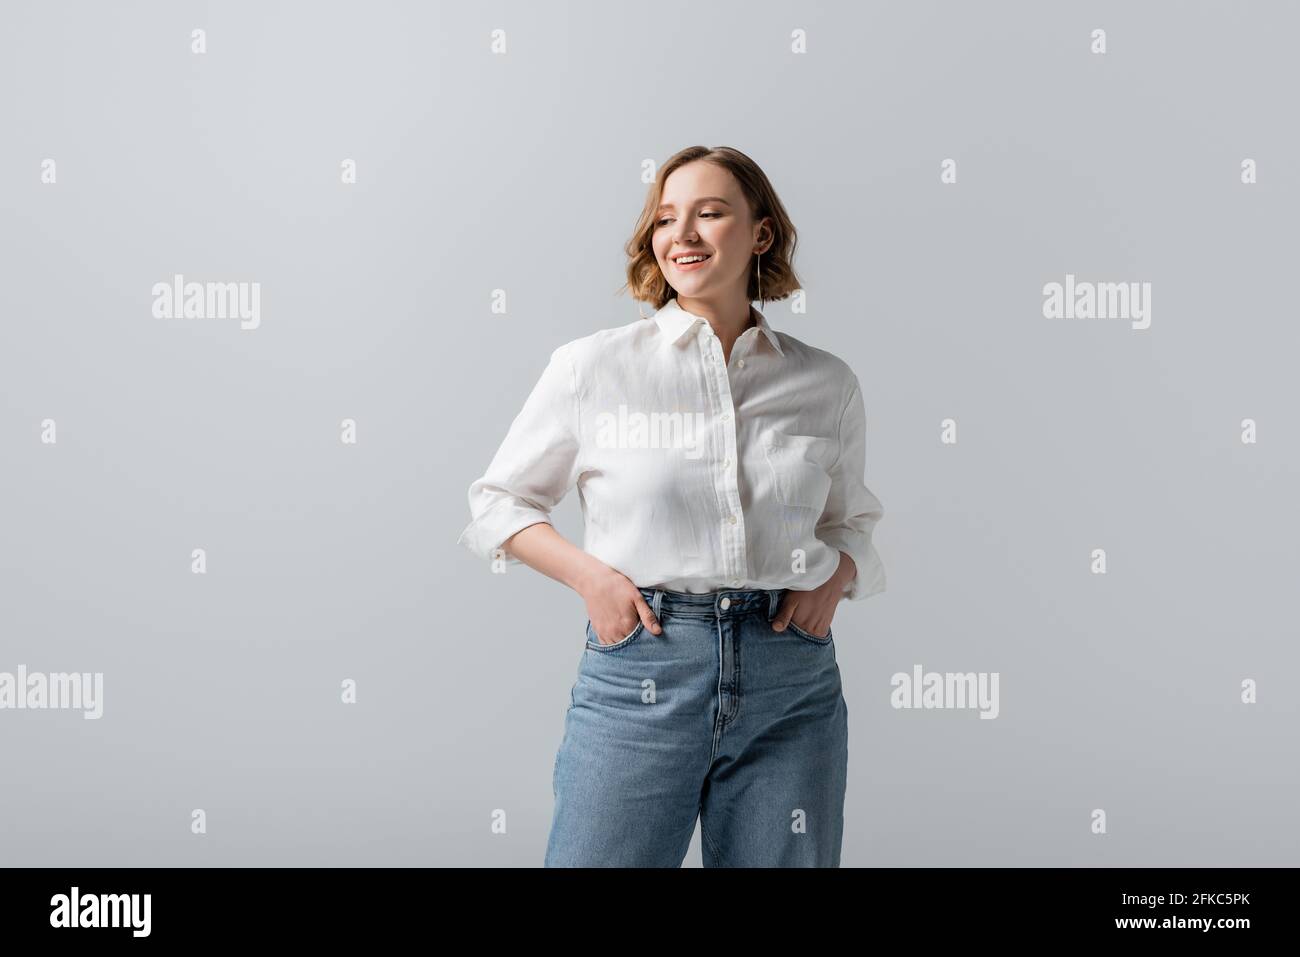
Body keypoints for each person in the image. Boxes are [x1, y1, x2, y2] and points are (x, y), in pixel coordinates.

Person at [457, 145, 886, 867]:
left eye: (709, 213)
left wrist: (837, 572)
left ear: (761, 233)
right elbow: (497, 502)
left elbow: (851, 521)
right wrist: (593, 579)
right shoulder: (595, 367)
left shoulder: (824, 382)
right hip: (644, 669)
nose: (681, 233)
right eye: (665, 218)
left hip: (792, 683)